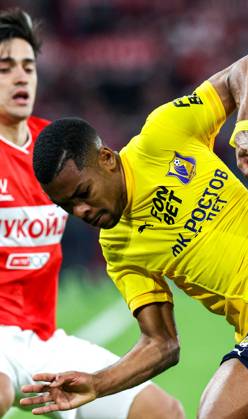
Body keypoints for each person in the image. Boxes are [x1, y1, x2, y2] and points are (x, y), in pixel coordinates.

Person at [21, 47, 248, 418]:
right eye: (68, 207)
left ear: (107, 159)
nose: (81, 211)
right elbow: (161, 344)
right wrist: (98, 383)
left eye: (83, 193)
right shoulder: (117, 246)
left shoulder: (163, 135)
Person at [0, 8, 183, 419]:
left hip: (44, 339)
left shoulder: (54, 150)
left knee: (163, 411)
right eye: (5, 68)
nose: (20, 77)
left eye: (28, 66)